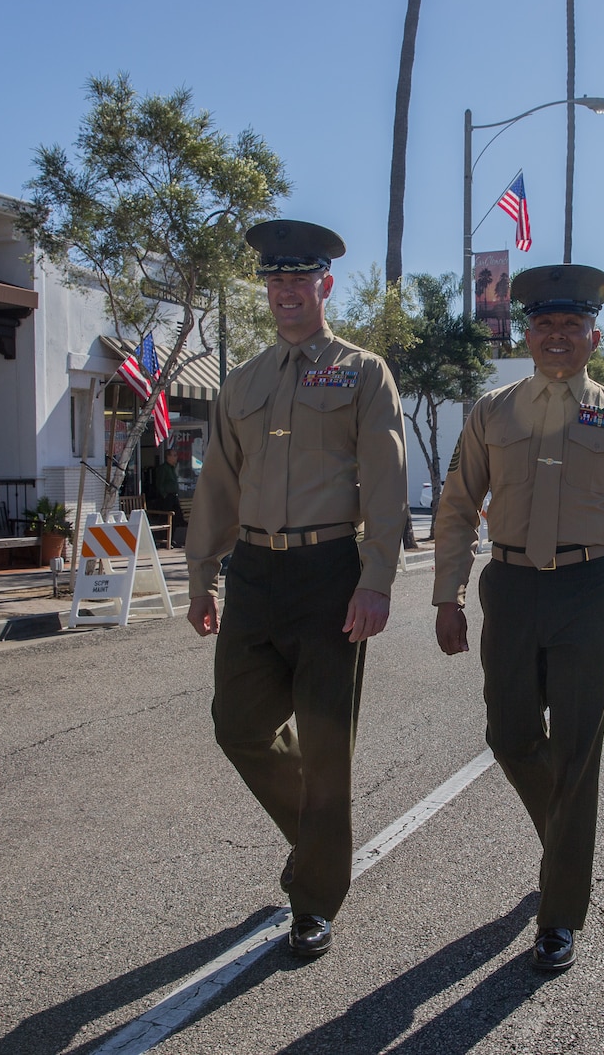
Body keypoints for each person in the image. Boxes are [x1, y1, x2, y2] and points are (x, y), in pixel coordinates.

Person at [433, 263, 604, 972]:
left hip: (586, 588)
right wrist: (449, 593)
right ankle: (564, 836)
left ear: (594, 337)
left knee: (575, 749)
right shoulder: (492, 411)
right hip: (508, 583)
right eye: (545, 325)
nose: (558, 336)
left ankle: (559, 912)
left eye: (572, 326)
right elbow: (456, 505)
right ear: (527, 334)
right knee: (508, 734)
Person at [185, 219, 408, 960]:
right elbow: (217, 485)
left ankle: (312, 898)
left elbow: (383, 483)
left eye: (298, 278)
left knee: (326, 746)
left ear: (325, 284)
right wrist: (201, 576)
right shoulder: (242, 382)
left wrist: (377, 578)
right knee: (237, 724)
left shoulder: (361, 372)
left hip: (327, 576)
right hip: (252, 572)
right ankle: (323, 839)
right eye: (274, 279)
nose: (285, 291)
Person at [150, 446, 186, 529]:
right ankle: (167, 537)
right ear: (168, 457)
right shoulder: (163, 468)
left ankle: (174, 537)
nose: (176, 457)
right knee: (168, 518)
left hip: (173, 496)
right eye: (174, 455)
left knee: (178, 518)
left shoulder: (172, 468)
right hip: (167, 498)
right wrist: (164, 495)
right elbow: (159, 483)